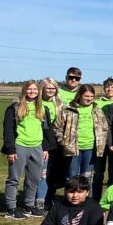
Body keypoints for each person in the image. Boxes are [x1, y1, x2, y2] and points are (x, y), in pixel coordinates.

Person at [3, 80, 56, 219]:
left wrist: (45, 148)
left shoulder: (43, 108)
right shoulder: (14, 107)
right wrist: (11, 150)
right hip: (20, 146)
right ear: (24, 90)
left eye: (35, 89)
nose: (32, 91)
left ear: (38, 91)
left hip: (37, 147)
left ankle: (29, 206)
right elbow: (8, 130)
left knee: (34, 179)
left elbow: (46, 130)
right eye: (29, 89)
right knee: (14, 179)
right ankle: (11, 209)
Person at [55, 84, 110, 189]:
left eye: (91, 96)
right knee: (72, 176)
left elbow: (104, 128)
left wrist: (101, 142)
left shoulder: (97, 110)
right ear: (80, 95)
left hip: (90, 149)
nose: (89, 99)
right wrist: (64, 142)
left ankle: (86, 201)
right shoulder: (68, 110)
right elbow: (57, 128)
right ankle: (70, 199)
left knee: (88, 176)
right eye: (86, 96)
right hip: (73, 149)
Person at [37, 78, 66, 211]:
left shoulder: (59, 104)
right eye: (47, 88)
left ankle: (50, 198)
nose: (50, 90)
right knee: (42, 173)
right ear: (42, 88)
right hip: (41, 141)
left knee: (52, 173)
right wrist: (44, 146)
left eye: (53, 88)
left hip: (56, 142)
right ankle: (39, 200)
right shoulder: (37, 104)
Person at [91, 77, 113, 200]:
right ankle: (94, 198)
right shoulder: (97, 103)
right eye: (107, 87)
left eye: (112, 86)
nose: (109, 89)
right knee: (97, 173)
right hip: (99, 143)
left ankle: (111, 198)